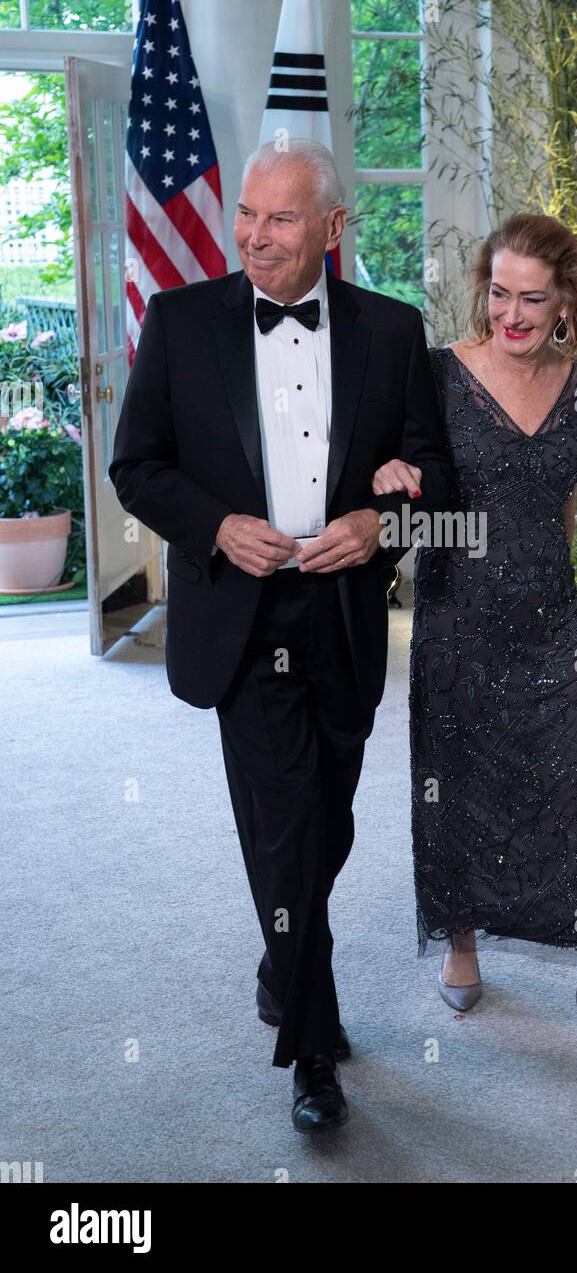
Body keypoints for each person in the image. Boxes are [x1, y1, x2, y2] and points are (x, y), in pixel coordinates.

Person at [109, 139, 453, 1132]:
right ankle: (311, 1046)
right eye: (247, 215)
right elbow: (139, 466)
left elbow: (432, 471)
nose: (254, 236)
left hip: (341, 610)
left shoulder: (392, 332)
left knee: (326, 822)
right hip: (240, 611)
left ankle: (284, 958)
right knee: (286, 823)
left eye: (282, 218)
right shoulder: (180, 325)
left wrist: (378, 525)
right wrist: (215, 526)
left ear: (333, 228)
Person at [372, 213, 577, 1041]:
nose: (512, 315)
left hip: (551, 621)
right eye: (499, 294)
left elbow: (559, 510)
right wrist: (393, 478)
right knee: (459, 789)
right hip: (457, 616)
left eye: (532, 299)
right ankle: (460, 944)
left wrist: (561, 600)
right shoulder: (438, 373)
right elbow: (407, 487)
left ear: (565, 303)